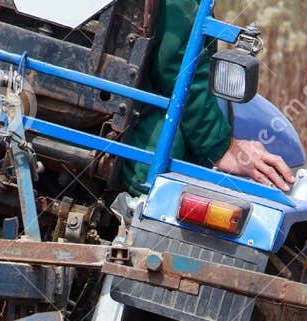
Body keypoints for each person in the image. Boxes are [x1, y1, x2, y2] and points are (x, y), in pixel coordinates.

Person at [120, 0, 296, 191]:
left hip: (95, 101)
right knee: (168, 150)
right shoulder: (177, 6)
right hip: (110, 105)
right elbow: (178, 66)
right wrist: (220, 147)